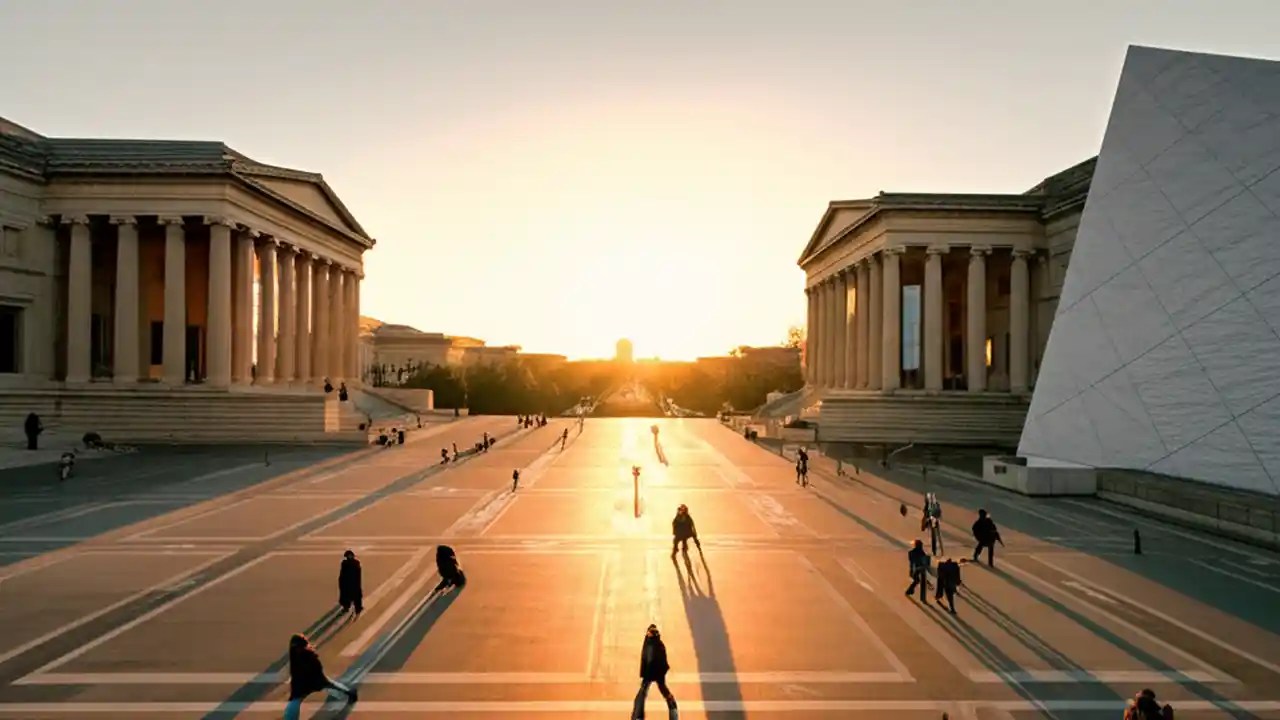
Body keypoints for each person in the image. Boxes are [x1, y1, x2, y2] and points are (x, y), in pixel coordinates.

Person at [284, 633, 356, 720]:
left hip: (303, 682)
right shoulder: (309, 655)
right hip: (315, 680)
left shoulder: (295, 654)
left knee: (296, 700)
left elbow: (296, 671)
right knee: (332, 685)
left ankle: (290, 718)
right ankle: (349, 693)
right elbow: (318, 669)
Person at [631, 624, 678, 720]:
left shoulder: (653, 644)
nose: (648, 634)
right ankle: (673, 710)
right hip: (652, 672)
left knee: (642, 694)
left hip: (652, 673)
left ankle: (638, 716)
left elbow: (650, 659)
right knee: (647, 693)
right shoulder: (652, 643)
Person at [338, 550, 363, 616]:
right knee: (346, 595)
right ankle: (346, 607)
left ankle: (358, 608)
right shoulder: (345, 563)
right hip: (347, 581)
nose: (349, 557)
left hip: (353, 581)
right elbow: (342, 573)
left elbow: (358, 574)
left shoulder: (356, 563)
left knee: (356, 596)